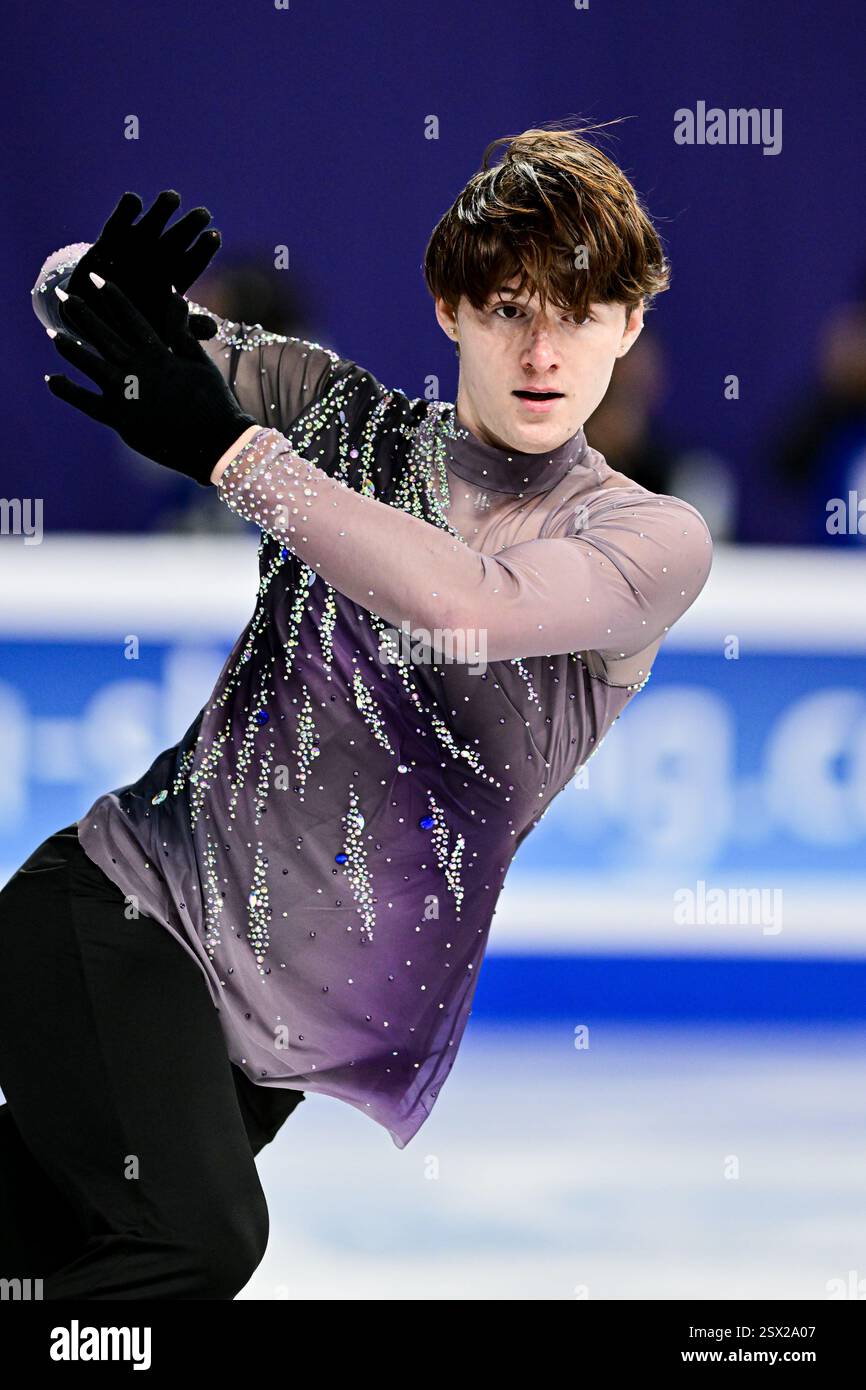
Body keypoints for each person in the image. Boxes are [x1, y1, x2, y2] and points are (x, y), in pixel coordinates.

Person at [2, 122, 713, 1300]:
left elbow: (466, 605)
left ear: (629, 326)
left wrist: (237, 455)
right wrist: (91, 285)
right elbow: (74, 300)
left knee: (50, 1259)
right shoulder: (337, 419)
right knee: (194, 1243)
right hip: (123, 917)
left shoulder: (645, 538)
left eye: (579, 314)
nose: (541, 351)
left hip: (258, 1040)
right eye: (507, 310)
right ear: (449, 309)